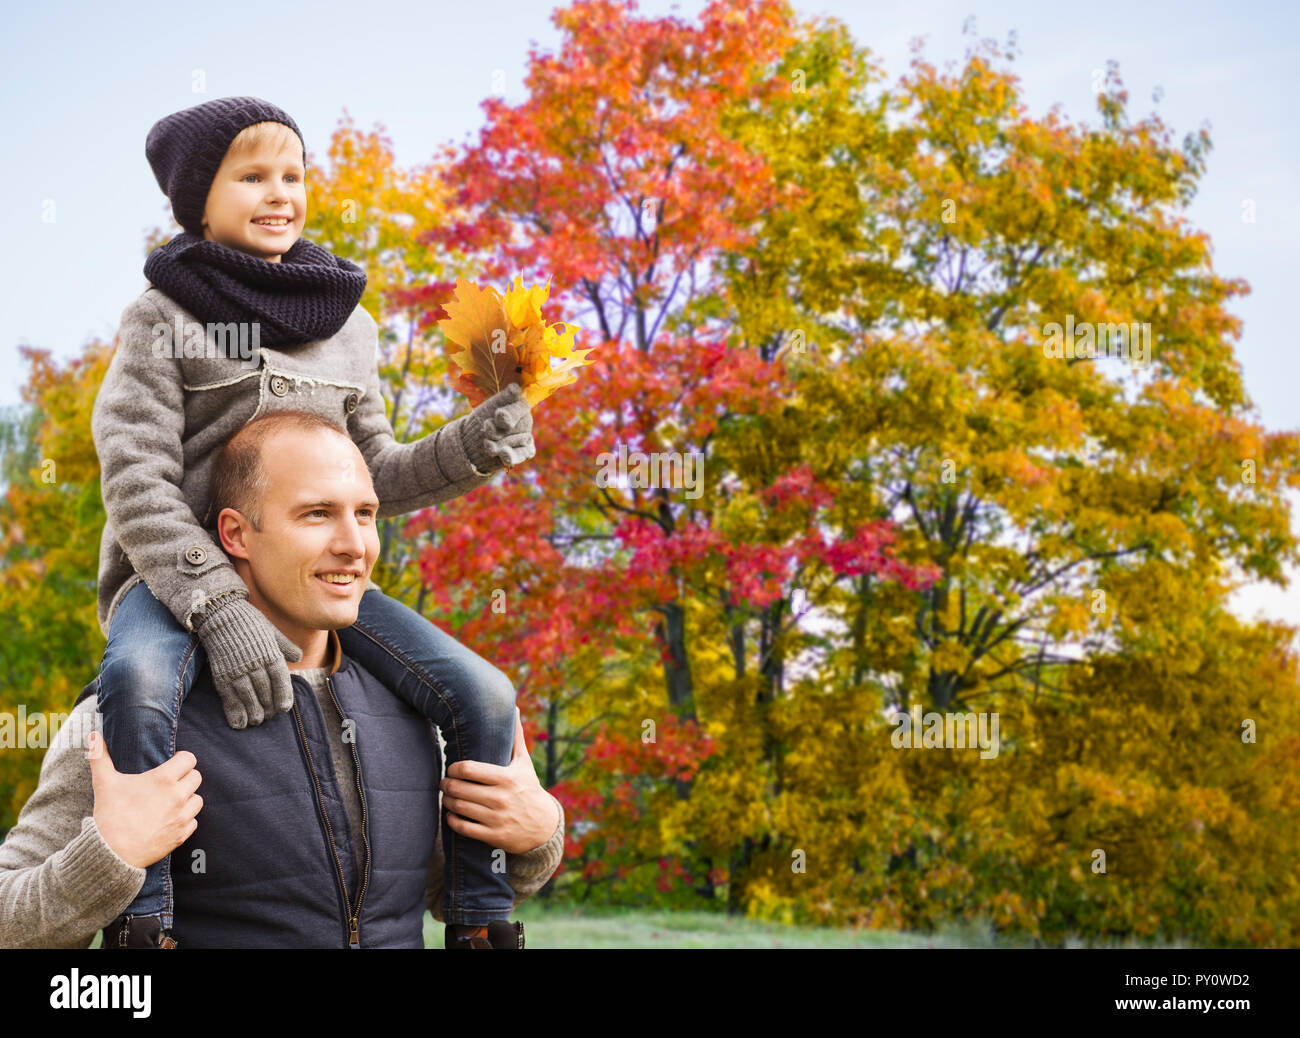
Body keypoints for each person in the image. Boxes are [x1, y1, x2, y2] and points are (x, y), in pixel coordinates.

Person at [91, 95, 537, 948]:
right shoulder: (161, 318)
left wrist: (477, 442)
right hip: (175, 579)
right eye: (252, 175)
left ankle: (480, 919)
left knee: (484, 694)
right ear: (197, 201)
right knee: (140, 685)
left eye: (293, 175)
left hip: (305, 581)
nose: (279, 192)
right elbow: (137, 480)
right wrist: (216, 607)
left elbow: (375, 473)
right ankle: (143, 924)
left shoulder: (350, 326)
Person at [0, 412, 565, 948]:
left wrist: (537, 835)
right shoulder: (136, 714)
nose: (354, 545)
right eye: (317, 514)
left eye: (365, 514)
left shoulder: (416, 702)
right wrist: (110, 854)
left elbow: (445, 893)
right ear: (236, 535)